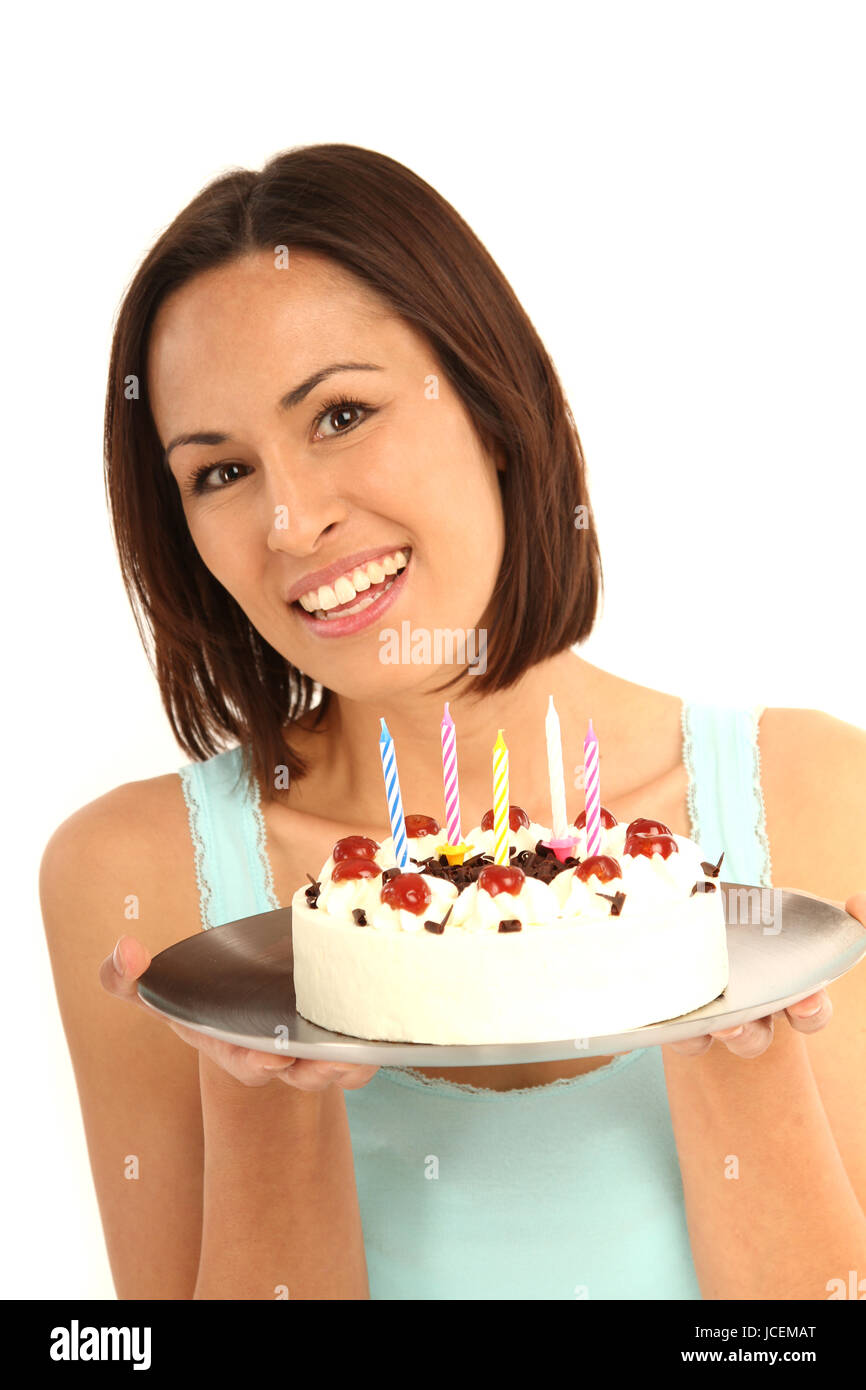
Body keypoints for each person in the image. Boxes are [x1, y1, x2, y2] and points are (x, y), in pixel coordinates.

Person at [39, 144, 866, 1302]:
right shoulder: (141, 887)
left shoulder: (818, 800)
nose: (290, 520)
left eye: (339, 412)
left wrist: (741, 1049)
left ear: (490, 403)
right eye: (218, 473)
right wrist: (260, 1106)